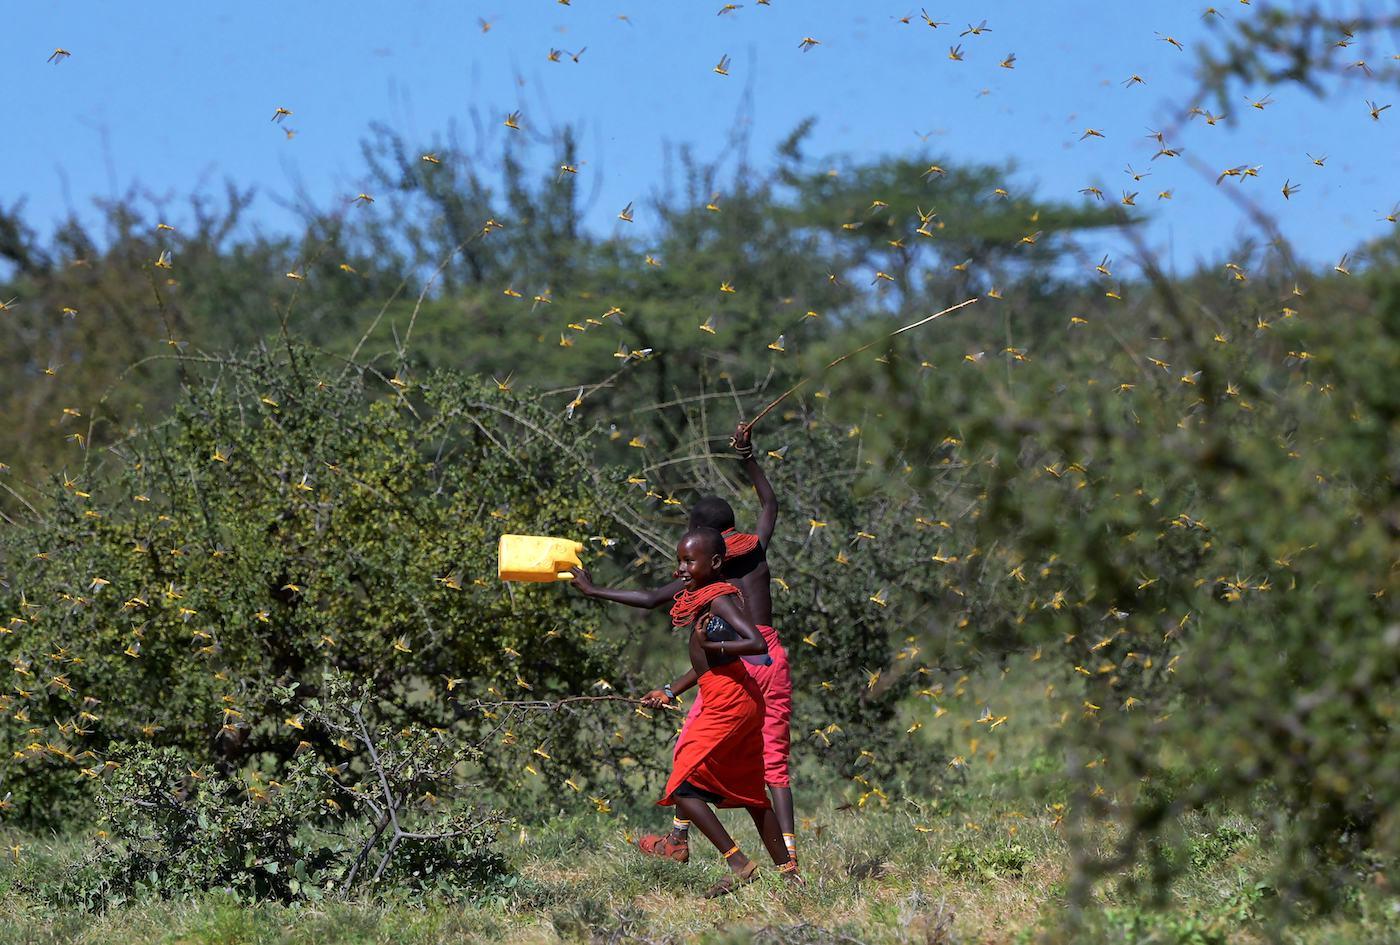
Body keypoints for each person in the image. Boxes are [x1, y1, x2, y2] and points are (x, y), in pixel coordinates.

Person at [570, 422, 799, 871]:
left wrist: (596, 591)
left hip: (741, 664)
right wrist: (747, 455)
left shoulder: (711, 579)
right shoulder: (755, 549)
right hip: (774, 657)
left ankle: (695, 844)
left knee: (692, 751)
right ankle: (787, 858)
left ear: (705, 542)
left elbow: (657, 600)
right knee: (769, 761)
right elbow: (770, 503)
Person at [656, 527, 792, 897]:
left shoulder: (720, 600)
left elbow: (755, 642)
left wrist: (716, 647)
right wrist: (670, 690)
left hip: (729, 702)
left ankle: (739, 863)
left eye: (689, 560)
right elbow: (705, 663)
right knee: (751, 794)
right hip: (731, 696)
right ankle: (792, 876)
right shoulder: (704, 597)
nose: (682, 568)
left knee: (682, 787)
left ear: (715, 563)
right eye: (679, 560)